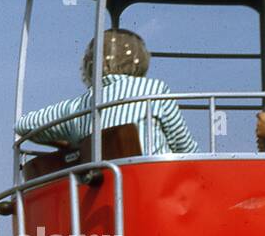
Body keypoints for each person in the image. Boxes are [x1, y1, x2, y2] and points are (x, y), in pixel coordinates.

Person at [16, 29, 198, 155]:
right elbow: (186, 150)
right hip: (156, 188)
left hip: (106, 192)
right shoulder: (155, 91)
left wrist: (71, 145)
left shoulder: (78, 107)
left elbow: (24, 126)